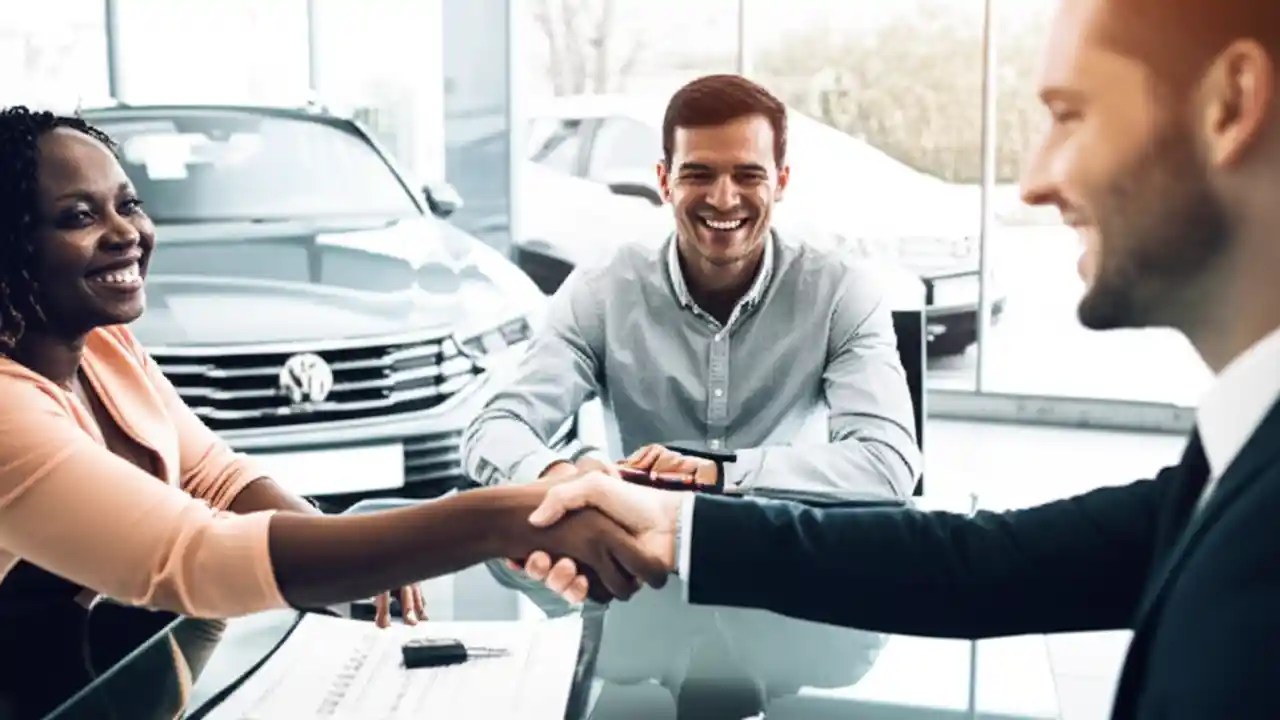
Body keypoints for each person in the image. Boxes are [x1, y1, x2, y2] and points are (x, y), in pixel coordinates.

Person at [522, 0, 1280, 717]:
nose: (1036, 179)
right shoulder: (1228, 464)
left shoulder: (836, 288)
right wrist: (680, 527)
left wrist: (710, 491)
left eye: (1070, 116)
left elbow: (900, 482)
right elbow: (981, 566)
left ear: (1230, 103)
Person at [0, 107, 665, 719]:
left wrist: (362, 561)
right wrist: (507, 518)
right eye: (78, 217)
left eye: (128, 204)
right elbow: (193, 555)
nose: (125, 234)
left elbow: (216, 478)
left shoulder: (104, 343)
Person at [466, 74, 920, 713]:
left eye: (749, 175)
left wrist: (720, 473)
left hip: (785, 569)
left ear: (781, 182)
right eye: (699, 173)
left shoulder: (841, 291)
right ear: (664, 180)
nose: (723, 198)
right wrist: (564, 476)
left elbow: (888, 463)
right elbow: (494, 428)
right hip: (637, 583)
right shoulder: (603, 288)